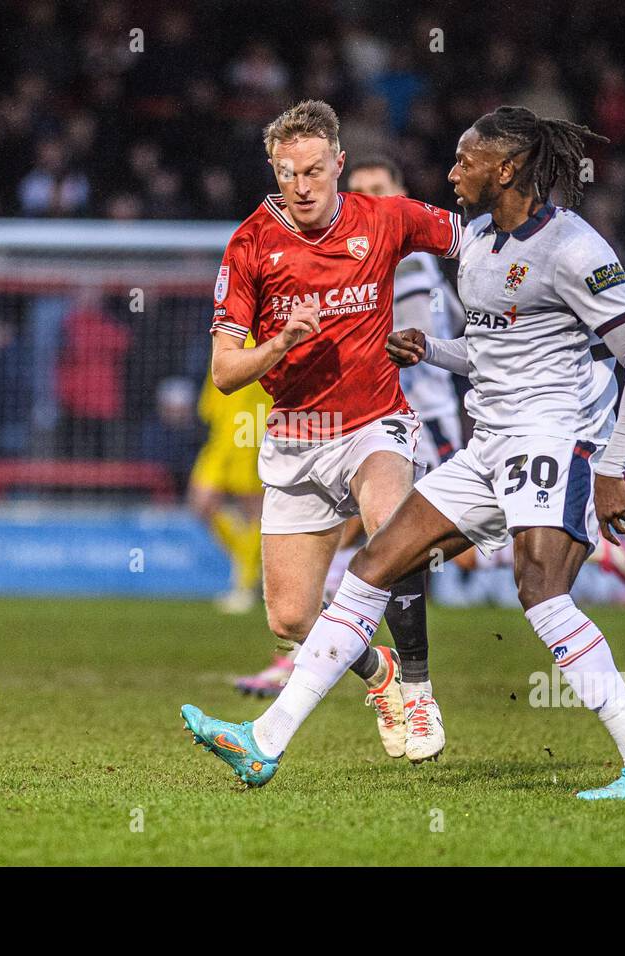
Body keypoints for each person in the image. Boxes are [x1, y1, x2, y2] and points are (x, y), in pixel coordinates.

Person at [184, 106, 625, 801]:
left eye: (464, 161)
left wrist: (611, 465)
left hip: (548, 438)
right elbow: (488, 354)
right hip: (484, 445)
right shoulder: (477, 247)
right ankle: (265, 741)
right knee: (374, 564)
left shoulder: (573, 247)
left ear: (505, 169)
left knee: (540, 592)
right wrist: (433, 350)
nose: (451, 173)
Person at [203, 101, 462, 764]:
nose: (304, 185)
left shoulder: (386, 218)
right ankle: (379, 674)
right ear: (274, 171)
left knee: (391, 527)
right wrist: (280, 343)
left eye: (315, 170)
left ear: (339, 164)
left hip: (376, 420)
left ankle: (423, 691)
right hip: (296, 436)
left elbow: (475, 239)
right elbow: (227, 372)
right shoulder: (250, 245)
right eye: (289, 173)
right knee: (289, 620)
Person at [188, 347, 271, 614]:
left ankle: (245, 585)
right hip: (221, 434)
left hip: (251, 430)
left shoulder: (266, 333)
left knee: (254, 511)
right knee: (202, 503)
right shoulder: (226, 332)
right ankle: (249, 564)